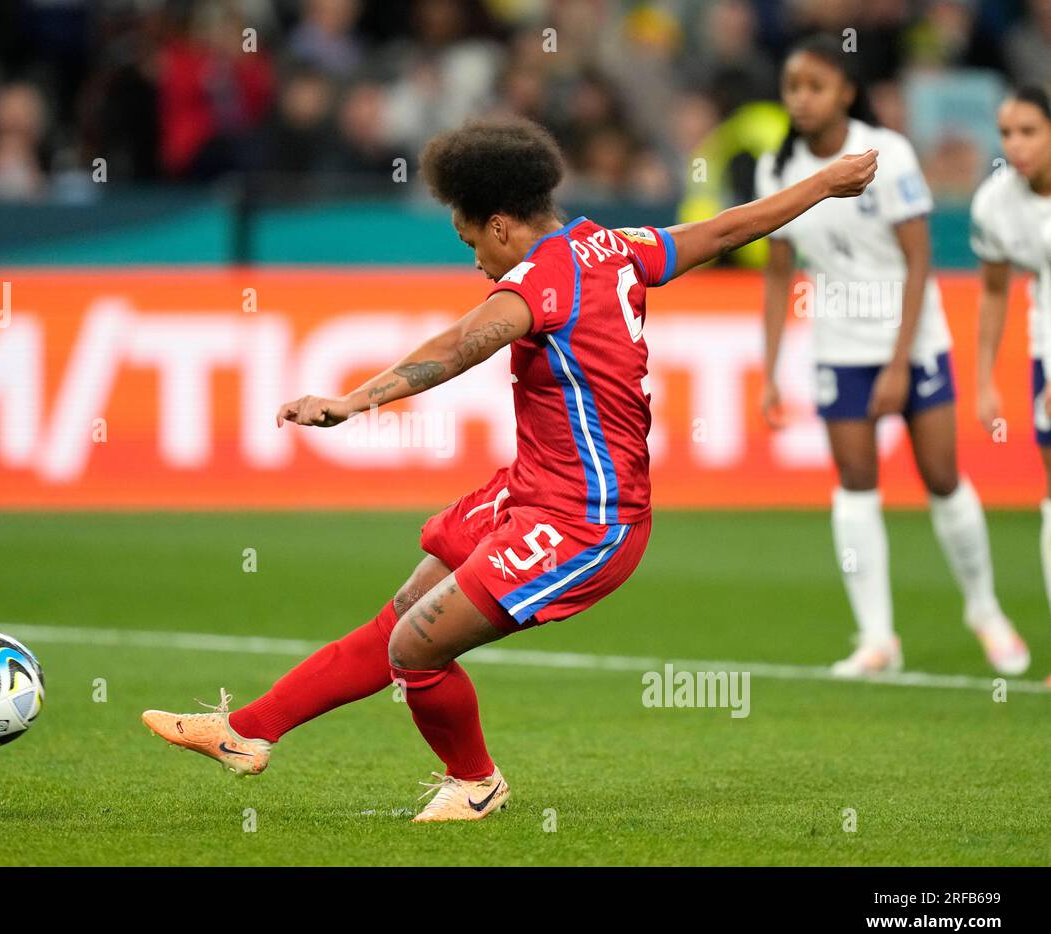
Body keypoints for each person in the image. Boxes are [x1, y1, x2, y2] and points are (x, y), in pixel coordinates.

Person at [144, 116, 878, 822]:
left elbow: (462, 344)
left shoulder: (542, 281)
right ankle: (249, 730)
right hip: (531, 494)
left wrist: (353, 401)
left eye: (471, 241)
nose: (474, 261)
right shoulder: (613, 244)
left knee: (415, 649)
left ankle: (477, 784)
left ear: (500, 224)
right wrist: (822, 184)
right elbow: (724, 229)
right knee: (402, 617)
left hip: (589, 521)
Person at [756, 35, 1028, 678]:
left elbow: (918, 256)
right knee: (854, 482)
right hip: (839, 348)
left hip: (914, 339)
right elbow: (776, 273)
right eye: (793, 86)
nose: (801, 98)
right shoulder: (778, 169)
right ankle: (878, 639)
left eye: (815, 86)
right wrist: (769, 369)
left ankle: (984, 609)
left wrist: (901, 361)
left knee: (940, 475)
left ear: (846, 93)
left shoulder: (889, 154)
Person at [971, 86, 1051, 630]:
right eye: (1006, 134)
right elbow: (996, 290)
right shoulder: (995, 202)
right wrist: (984, 379)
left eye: (1029, 132)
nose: (1015, 145)